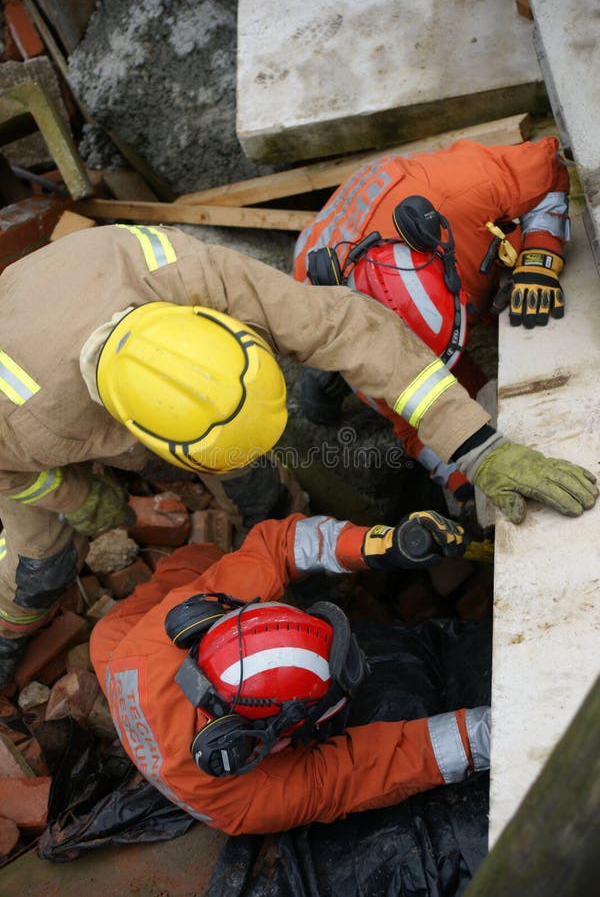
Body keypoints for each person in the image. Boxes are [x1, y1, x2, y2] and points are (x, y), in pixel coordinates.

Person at [0, 223, 596, 687]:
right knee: (40, 569)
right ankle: (9, 630)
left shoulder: (189, 274)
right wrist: (74, 496)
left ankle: (294, 559)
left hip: (101, 325)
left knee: (263, 491)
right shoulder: (18, 421)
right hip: (22, 439)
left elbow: (351, 328)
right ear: (137, 434)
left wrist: (478, 445)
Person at [90, 508, 491, 835]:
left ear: (218, 621)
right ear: (270, 742)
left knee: (197, 563)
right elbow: (381, 765)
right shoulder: (248, 800)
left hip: (120, 646)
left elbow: (278, 545)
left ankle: (201, 556)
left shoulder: (162, 634)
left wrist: (381, 544)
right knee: (196, 572)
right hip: (136, 672)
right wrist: (491, 734)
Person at [292, 137, 575, 507]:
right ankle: (321, 385)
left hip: (410, 199)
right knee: (323, 370)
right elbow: (411, 422)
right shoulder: (346, 335)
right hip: (318, 275)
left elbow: (548, 166)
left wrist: (539, 261)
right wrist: (460, 477)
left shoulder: (461, 190)